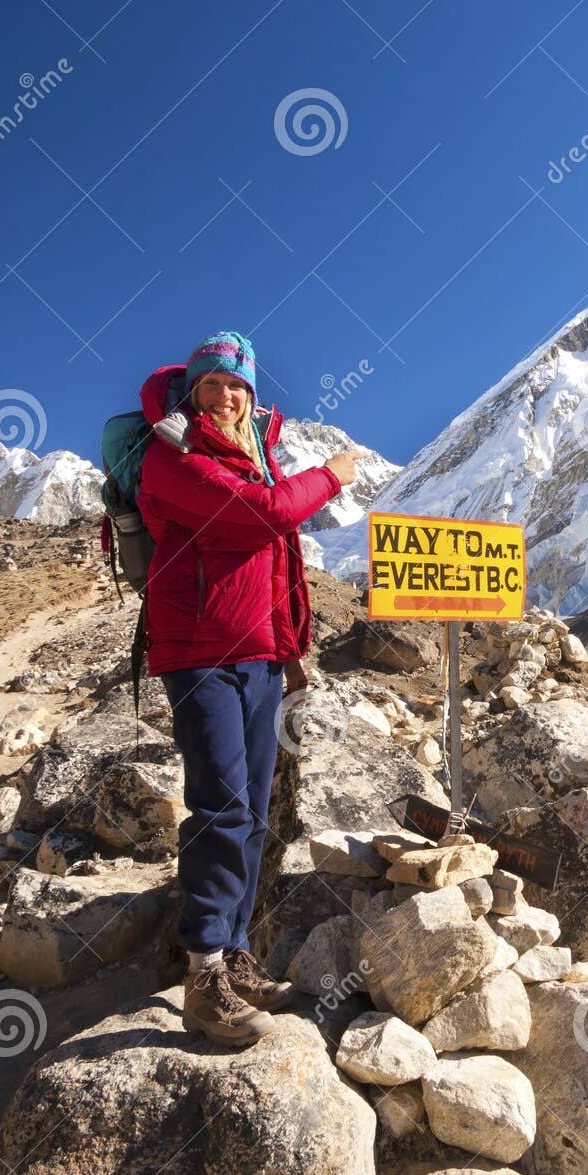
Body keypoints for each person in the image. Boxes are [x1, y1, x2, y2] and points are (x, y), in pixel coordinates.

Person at [136, 331, 359, 1046]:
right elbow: (261, 517)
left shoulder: (255, 460)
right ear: (191, 393)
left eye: (238, 386)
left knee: (253, 809)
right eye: (211, 385)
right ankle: (201, 976)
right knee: (220, 805)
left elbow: (275, 566)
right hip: (198, 654)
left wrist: (290, 649)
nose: (226, 396)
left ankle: (232, 955)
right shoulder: (171, 459)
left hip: (260, 654)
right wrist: (329, 475)